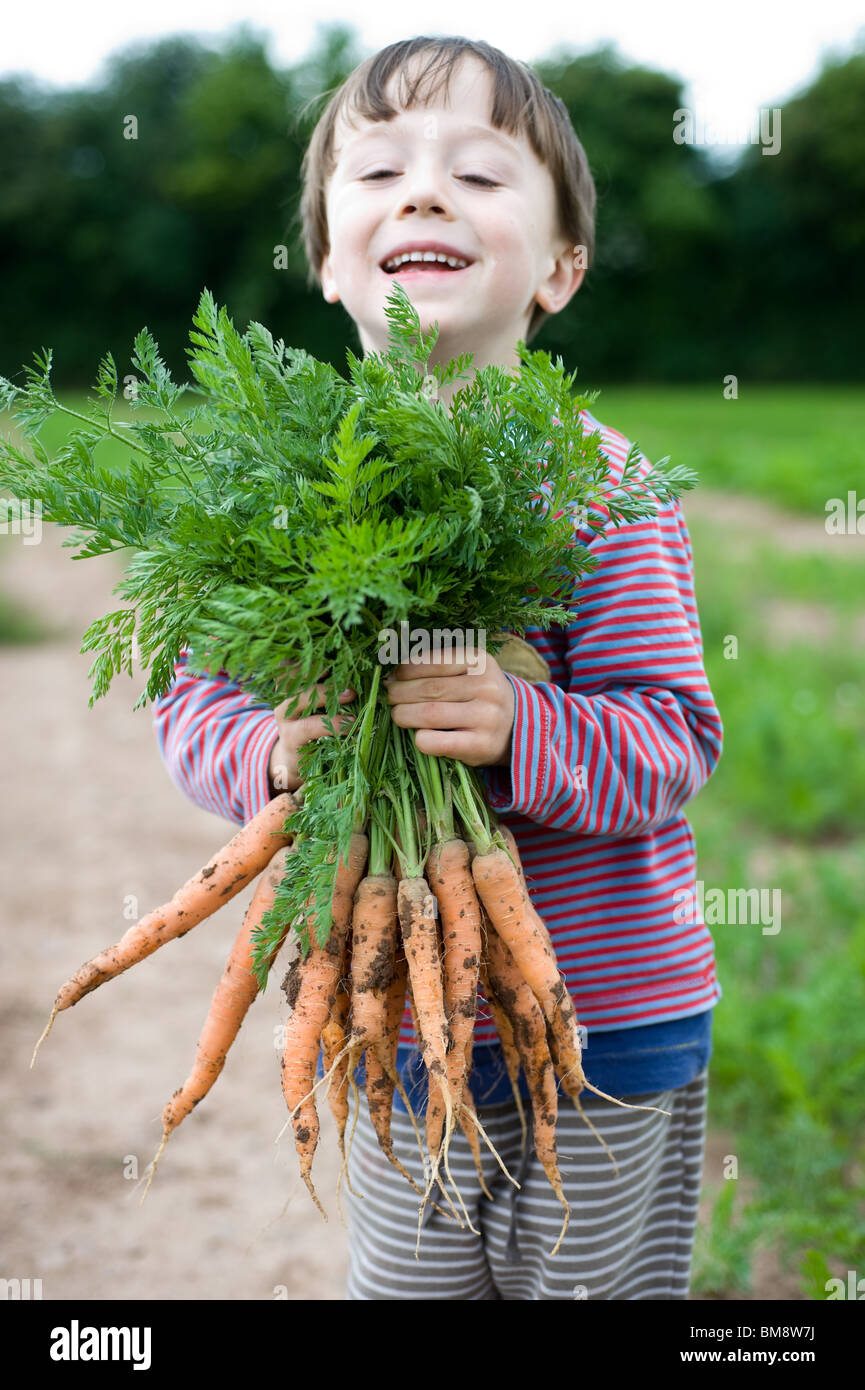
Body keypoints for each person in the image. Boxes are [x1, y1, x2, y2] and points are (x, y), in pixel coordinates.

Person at [152, 35, 724, 1300]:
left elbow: (675, 740)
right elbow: (191, 706)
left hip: (605, 1027)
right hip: (388, 1014)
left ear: (562, 269)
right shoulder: (272, 491)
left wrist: (523, 724)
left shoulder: (604, 492)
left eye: (478, 173)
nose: (422, 194)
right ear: (322, 260)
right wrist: (266, 753)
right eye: (378, 174)